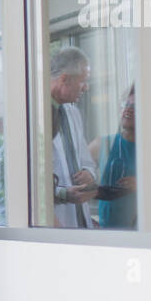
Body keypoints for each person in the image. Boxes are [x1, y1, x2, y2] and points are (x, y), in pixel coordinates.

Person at [50, 46, 98, 227]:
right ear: (64, 79)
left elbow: (86, 160)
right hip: (55, 220)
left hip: (80, 218)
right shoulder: (35, 115)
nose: (86, 88)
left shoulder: (73, 112)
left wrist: (89, 174)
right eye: (83, 81)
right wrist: (64, 193)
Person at [89, 84, 136, 229]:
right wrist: (87, 220)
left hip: (143, 236)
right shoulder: (101, 144)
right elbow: (72, 182)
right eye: (125, 104)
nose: (128, 109)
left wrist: (144, 185)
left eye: (135, 106)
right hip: (108, 237)